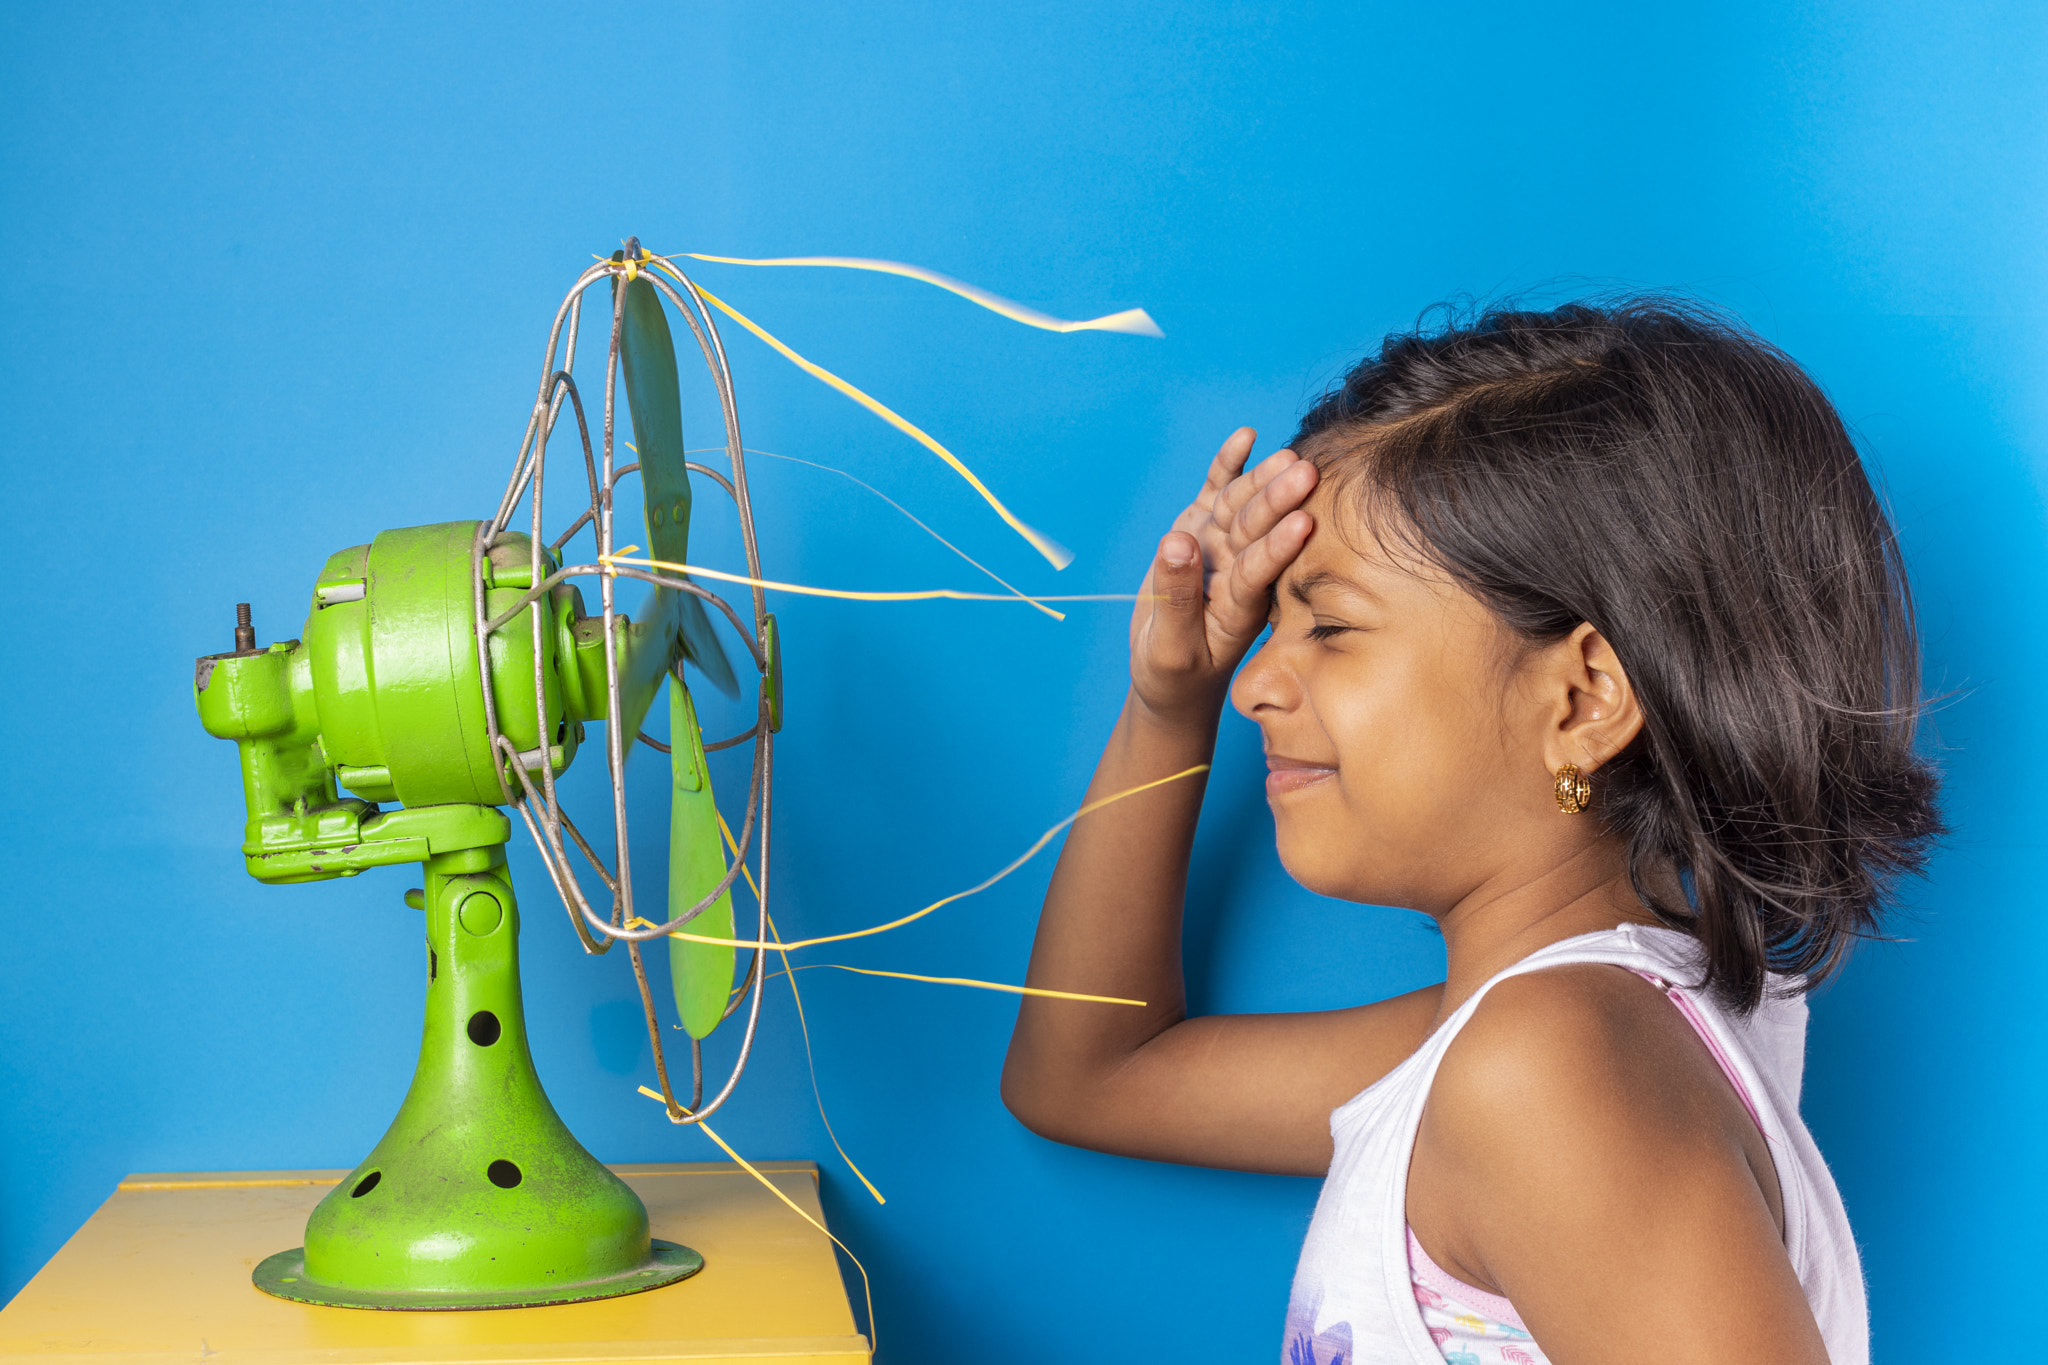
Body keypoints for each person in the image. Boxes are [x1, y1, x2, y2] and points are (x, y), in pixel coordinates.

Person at [1000, 299, 1941, 1365]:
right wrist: (1172, 701)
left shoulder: (1547, 1071)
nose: (1254, 683)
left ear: (1581, 699)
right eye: (1268, 626)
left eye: (1332, 627)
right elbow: (1086, 1075)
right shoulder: (1553, 1036)